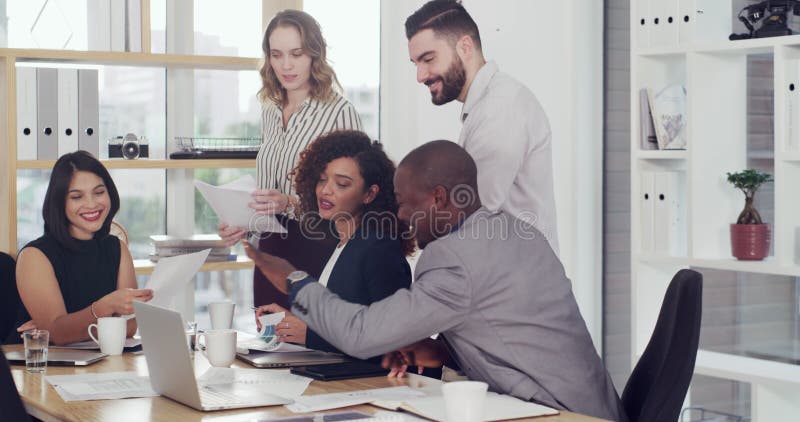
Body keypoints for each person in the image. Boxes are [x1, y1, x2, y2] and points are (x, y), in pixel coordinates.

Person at [242, 141, 625, 421]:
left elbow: (361, 334)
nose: (402, 215)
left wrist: (292, 279)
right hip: (595, 406)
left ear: (440, 198)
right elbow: (511, 329)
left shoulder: (451, 258)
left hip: (556, 413)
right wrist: (440, 350)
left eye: (407, 203)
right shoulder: (513, 231)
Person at [218, 9, 363, 310]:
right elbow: (268, 191)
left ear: (314, 55)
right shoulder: (270, 110)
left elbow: (354, 198)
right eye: (277, 54)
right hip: (270, 250)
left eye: (296, 54)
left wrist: (291, 202)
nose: (286, 65)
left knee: (311, 347)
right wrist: (244, 220)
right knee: (270, 349)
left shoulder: (339, 112)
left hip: (317, 248)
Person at [405, 0, 559, 253]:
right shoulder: (487, 105)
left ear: (465, 46)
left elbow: (469, 215)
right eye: (416, 64)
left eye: (428, 59)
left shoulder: (500, 109)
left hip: (517, 283)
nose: (420, 76)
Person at [253, 130, 413, 356]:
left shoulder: (379, 248)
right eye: (322, 179)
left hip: (364, 384)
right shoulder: (340, 243)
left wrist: (308, 334)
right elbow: (338, 320)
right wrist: (290, 321)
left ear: (369, 194)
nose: (325, 190)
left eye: (342, 184)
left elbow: (389, 341)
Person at [7, 151, 153, 345]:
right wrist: (102, 310)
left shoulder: (117, 248)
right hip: (38, 366)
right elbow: (58, 334)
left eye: (99, 192)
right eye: (77, 197)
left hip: (97, 362)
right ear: (60, 203)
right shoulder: (35, 256)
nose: (91, 204)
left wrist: (69, 328)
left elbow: (130, 327)